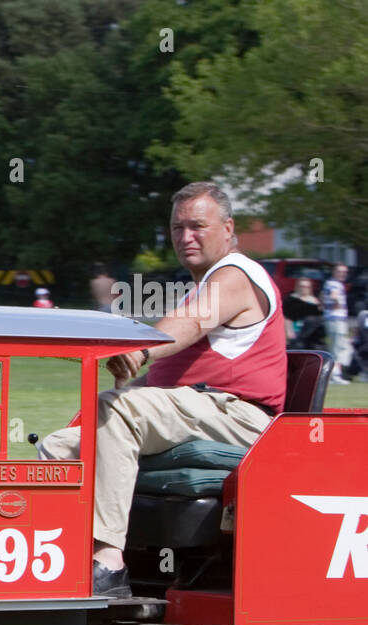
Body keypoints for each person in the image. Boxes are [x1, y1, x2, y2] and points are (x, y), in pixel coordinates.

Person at [37, 182, 286, 597]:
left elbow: (189, 324)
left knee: (118, 410)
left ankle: (107, 563)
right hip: (197, 410)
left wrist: (138, 351)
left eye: (197, 226)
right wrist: (133, 376)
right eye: (177, 228)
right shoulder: (202, 284)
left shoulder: (237, 275)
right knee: (59, 446)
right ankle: (52, 551)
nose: (185, 237)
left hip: (238, 416)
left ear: (228, 228)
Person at [322, 263, 351, 384]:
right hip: (336, 319)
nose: (343, 274)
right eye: (340, 271)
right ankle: (334, 375)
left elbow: (322, 297)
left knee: (342, 347)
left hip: (336, 319)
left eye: (344, 272)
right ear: (334, 272)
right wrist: (336, 300)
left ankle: (336, 373)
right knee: (337, 348)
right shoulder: (334, 284)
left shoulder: (332, 283)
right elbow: (334, 296)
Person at [283, 277, 322, 347]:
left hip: (309, 333)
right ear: (297, 286)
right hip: (295, 331)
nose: (304, 289)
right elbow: (287, 318)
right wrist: (289, 331)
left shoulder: (314, 301)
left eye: (307, 287)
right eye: (302, 286)